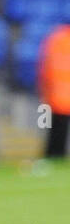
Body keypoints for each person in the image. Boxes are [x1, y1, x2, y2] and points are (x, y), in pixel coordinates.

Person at [37, 23, 70, 160]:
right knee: (55, 129)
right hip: (57, 97)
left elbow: (45, 69)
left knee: (54, 130)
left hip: (56, 96)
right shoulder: (57, 40)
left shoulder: (56, 39)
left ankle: (53, 156)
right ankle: (54, 156)